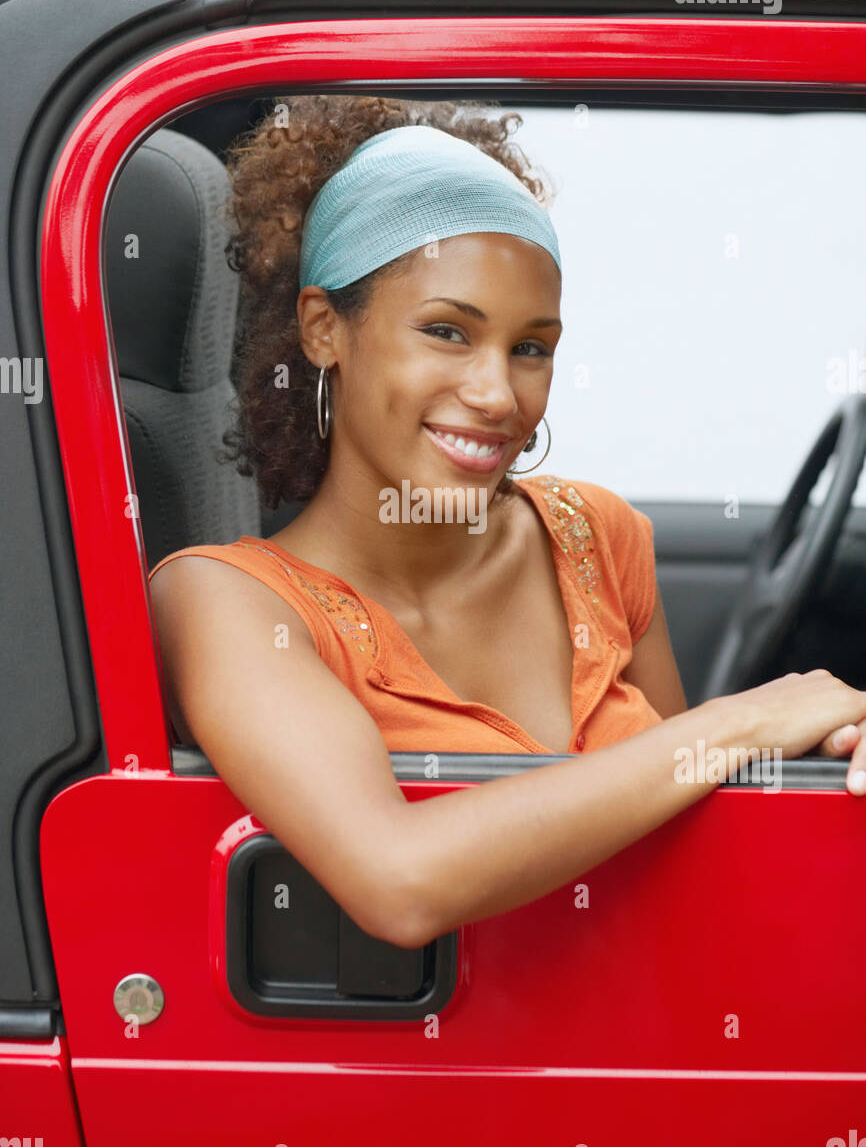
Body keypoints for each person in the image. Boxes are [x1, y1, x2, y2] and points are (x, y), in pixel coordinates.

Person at [148, 94, 866, 952]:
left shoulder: (597, 535)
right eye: (448, 332)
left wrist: (819, 752)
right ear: (324, 329)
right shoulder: (226, 604)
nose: (497, 395)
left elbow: (684, 838)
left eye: (532, 347)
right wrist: (738, 723)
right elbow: (398, 880)